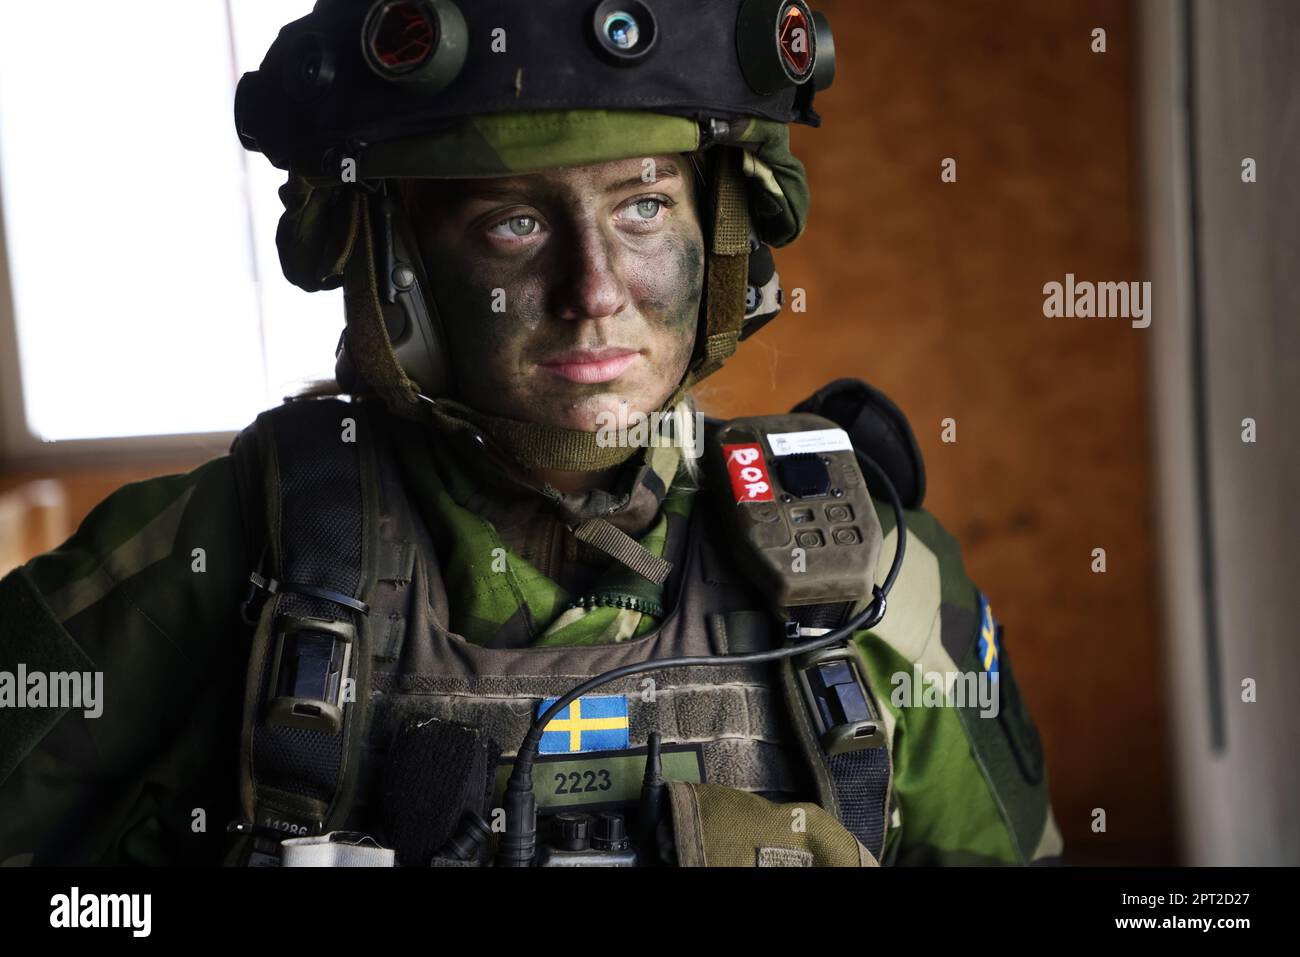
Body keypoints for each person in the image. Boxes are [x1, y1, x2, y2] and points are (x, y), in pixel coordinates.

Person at [0, 0, 1062, 866]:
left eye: (643, 209)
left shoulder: (868, 562)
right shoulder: (229, 547)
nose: (591, 291)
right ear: (396, 265)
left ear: (722, 234)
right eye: (511, 222)